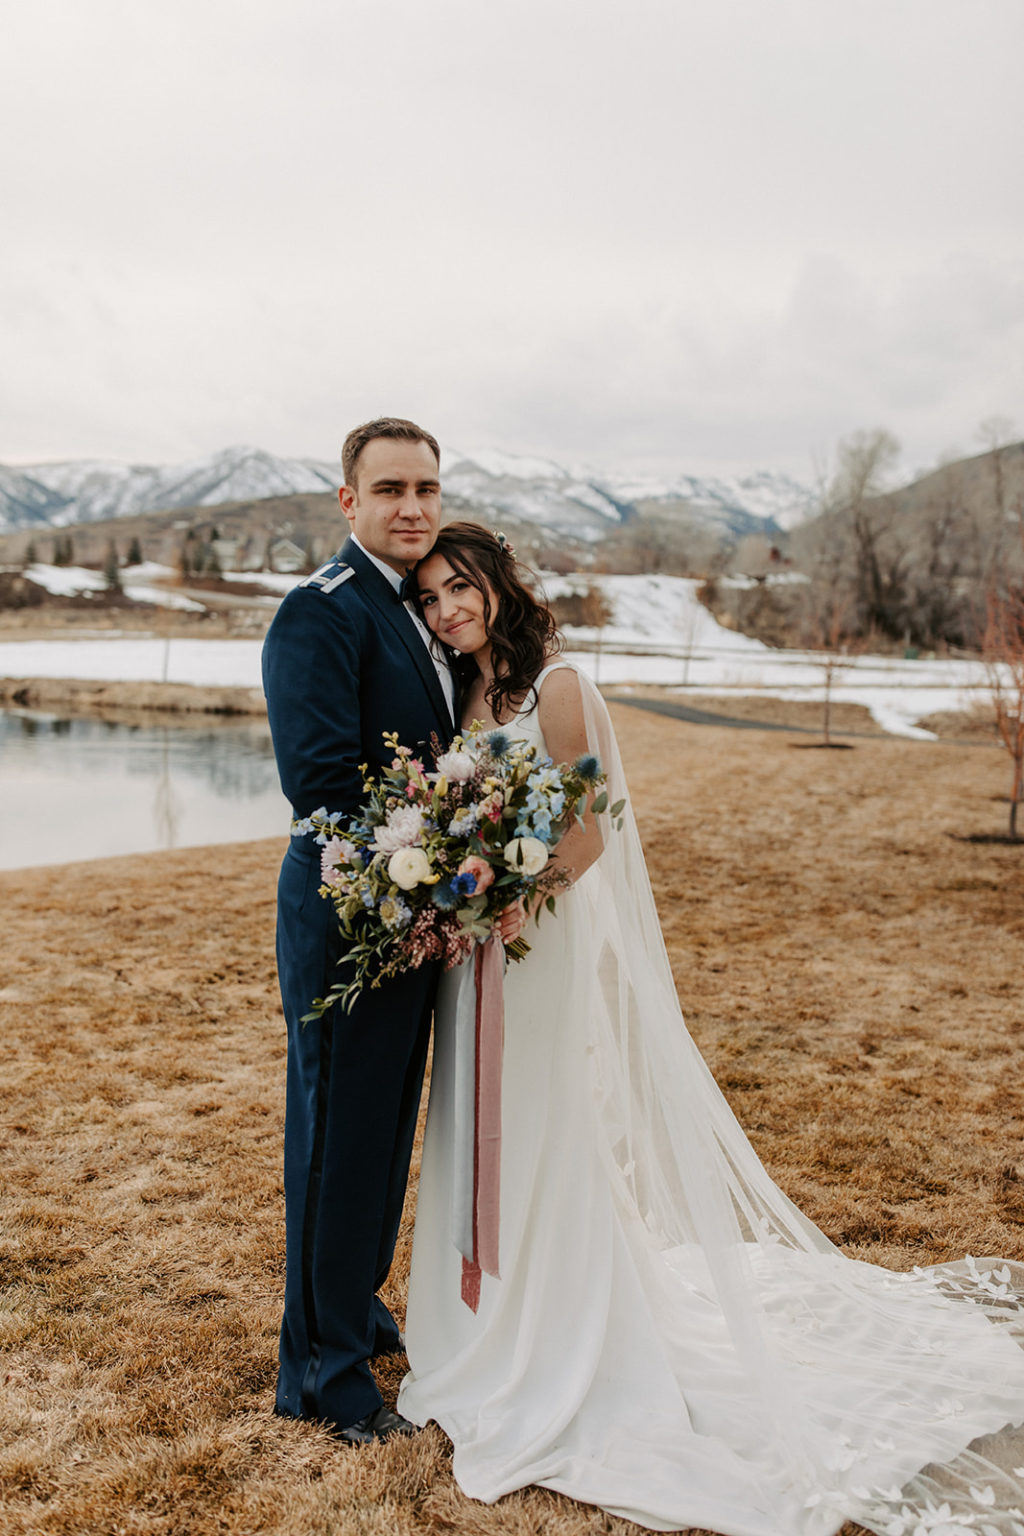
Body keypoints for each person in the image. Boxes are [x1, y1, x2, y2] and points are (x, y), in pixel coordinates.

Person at [398, 521, 1024, 1535]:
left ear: (497, 584)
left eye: (458, 587)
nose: (447, 610)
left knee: (544, 1127)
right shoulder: (468, 696)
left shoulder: (562, 687)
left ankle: (562, 1332)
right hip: (479, 955)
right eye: (429, 599)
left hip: (538, 947)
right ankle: (485, 1319)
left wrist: (516, 894)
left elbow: (591, 834)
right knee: (478, 1124)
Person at [262, 420, 507, 1444]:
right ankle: (324, 1376)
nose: (413, 504)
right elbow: (321, 785)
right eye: (391, 487)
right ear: (347, 500)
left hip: (415, 909)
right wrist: (429, 855)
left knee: (381, 1126)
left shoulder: (413, 607)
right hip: (345, 909)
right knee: (335, 1137)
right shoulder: (318, 614)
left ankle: (353, 1303)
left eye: (428, 486)